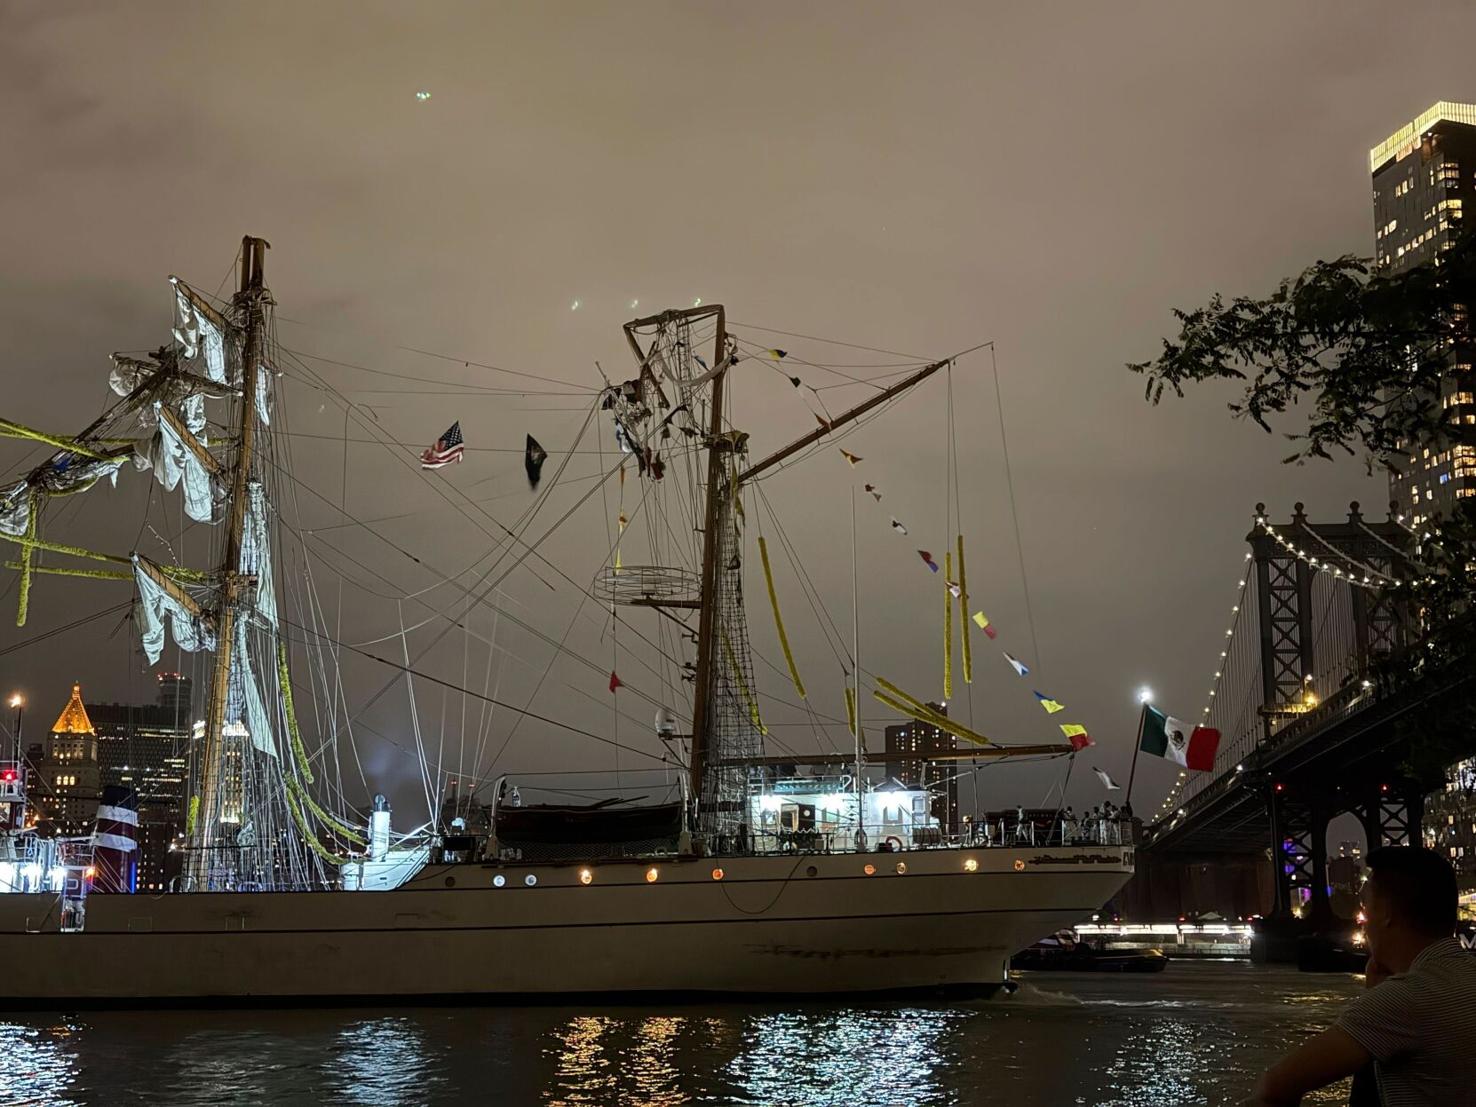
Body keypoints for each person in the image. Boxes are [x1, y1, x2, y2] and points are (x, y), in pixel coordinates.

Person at [1246, 846, 1476, 1106]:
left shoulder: (1402, 1000)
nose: (1363, 922)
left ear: (1387, 913)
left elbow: (1274, 1087)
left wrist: (1376, 998)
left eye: (1366, 906)